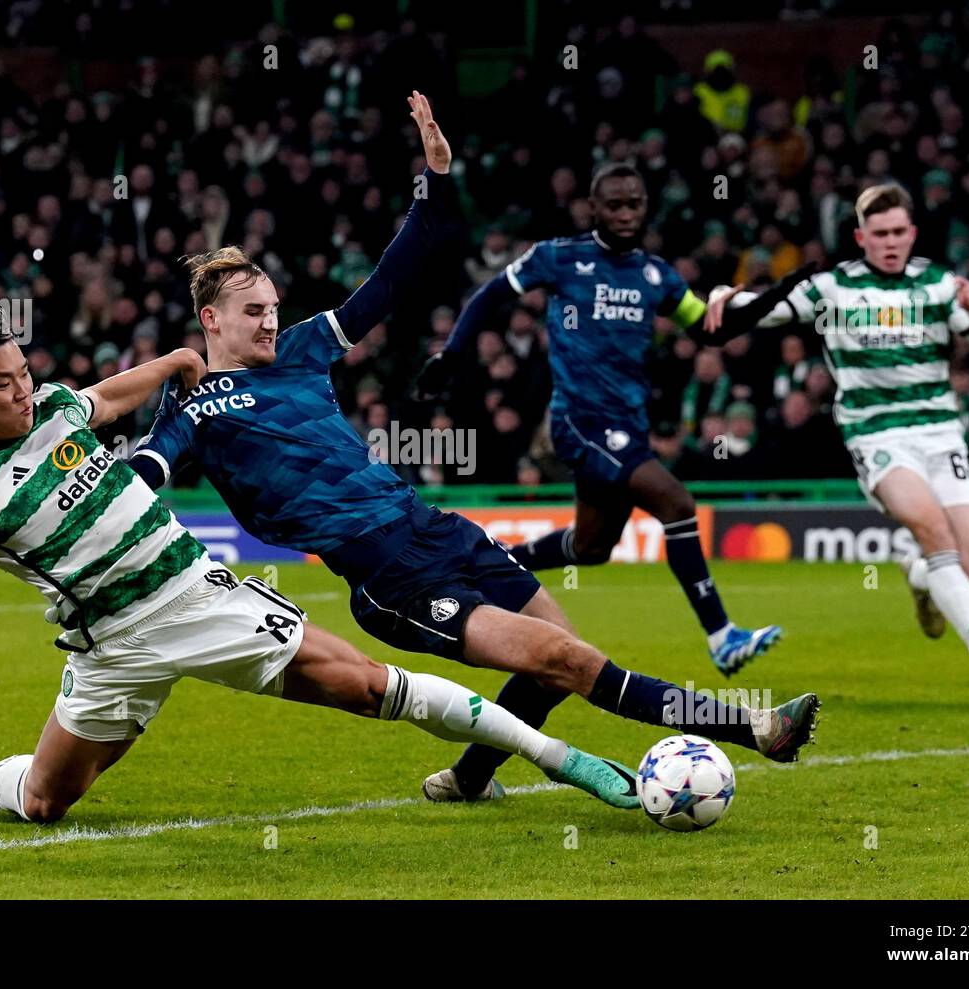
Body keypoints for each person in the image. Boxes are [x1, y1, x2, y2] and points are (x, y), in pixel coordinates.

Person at [129, 95, 820, 804]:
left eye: (274, 306)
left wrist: (433, 178)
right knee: (567, 658)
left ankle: (468, 777)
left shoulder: (303, 349)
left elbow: (390, 280)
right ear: (210, 319)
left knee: (560, 657)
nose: (272, 320)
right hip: (388, 575)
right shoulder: (193, 403)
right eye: (255, 312)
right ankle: (754, 726)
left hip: (437, 528)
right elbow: (148, 468)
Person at [0, 292, 669, 822]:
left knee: (370, 685)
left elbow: (105, 396)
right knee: (45, 803)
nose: (26, 391)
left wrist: (169, 365)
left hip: (199, 596)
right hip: (111, 645)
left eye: (25, 373)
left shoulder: (56, 405)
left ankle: (560, 757)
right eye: (4, 385)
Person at [417, 162, 807, 675]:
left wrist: (778, 294)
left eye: (635, 204)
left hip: (627, 425)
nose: (626, 213)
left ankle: (490, 562)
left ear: (645, 208)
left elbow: (712, 330)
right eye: (615, 204)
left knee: (591, 546)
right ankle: (722, 636)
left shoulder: (656, 276)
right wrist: (452, 352)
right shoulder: (560, 258)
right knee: (676, 502)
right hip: (580, 421)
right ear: (594, 208)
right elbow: (492, 294)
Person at [704, 182, 969, 686]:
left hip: (941, 434)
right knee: (934, 532)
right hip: (877, 435)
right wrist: (730, 295)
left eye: (899, 231)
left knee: (965, 565)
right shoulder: (834, 289)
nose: (891, 242)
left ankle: (919, 577)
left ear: (913, 232)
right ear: (861, 237)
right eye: (880, 233)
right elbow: (769, 308)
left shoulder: (941, 285)